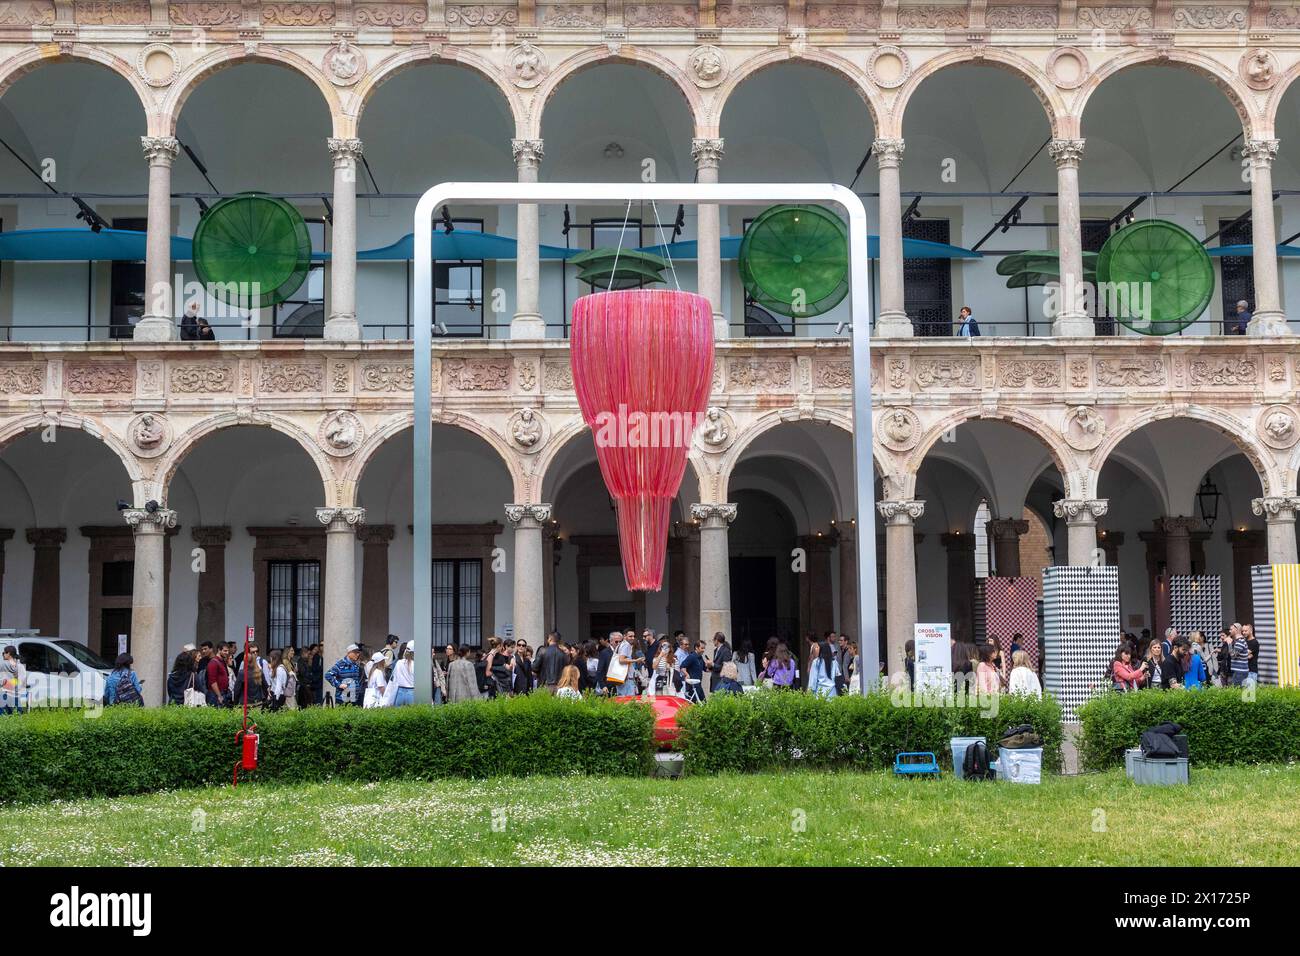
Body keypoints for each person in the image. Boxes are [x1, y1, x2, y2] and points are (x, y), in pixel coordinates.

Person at [615, 631, 643, 697]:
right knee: (629, 702)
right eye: (630, 636)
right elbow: (621, 660)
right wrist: (635, 660)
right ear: (625, 636)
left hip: (621, 678)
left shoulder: (620, 645)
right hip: (626, 679)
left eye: (633, 636)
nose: (632, 638)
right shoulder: (626, 645)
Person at [1, 645, 26, 714]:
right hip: (5, 696)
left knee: (16, 720)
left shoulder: (19, 667)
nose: (3, 655)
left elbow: (20, 682)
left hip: (14, 696)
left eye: (4, 653)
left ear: (9, 654)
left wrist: (6, 683)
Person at [1244, 623, 1260, 689]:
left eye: (1245, 631)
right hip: (1244, 670)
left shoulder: (1254, 642)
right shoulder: (1245, 641)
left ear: (1251, 631)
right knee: (1245, 695)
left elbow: (1243, 654)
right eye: (1242, 631)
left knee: (1250, 693)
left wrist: (1243, 654)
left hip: (1251, 671)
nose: (1243, 632)